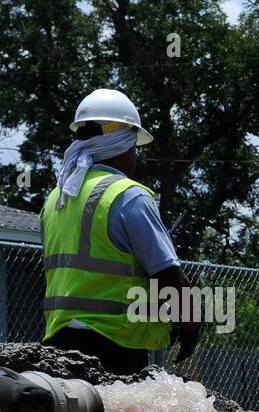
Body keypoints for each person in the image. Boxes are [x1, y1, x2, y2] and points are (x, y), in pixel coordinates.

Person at [40, 88, 199, 375]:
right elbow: (169, 276)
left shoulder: (56, 199)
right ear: (123, 143)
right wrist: (189, 326)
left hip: (58, 346)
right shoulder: (128, 196)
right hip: (114, 345)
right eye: (134, 146)